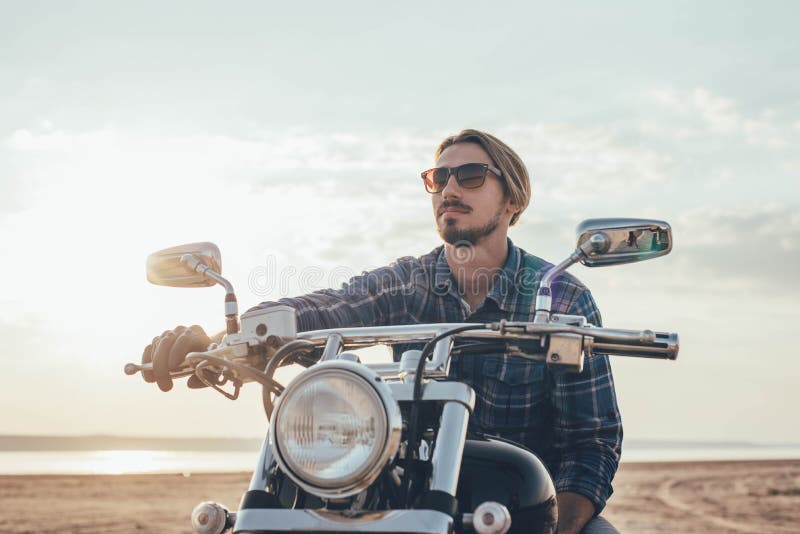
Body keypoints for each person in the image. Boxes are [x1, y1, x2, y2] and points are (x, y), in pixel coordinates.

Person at [142, 129, 622, 534]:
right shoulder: (408, 283)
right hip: (402, 490)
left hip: (519, 504)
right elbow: (332, 306)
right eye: (438, 179)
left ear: (513, 200)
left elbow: (592, 439)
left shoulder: (559, 297)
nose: (449, 189)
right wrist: (220, 340)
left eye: (470, 176)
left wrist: (559, 525)